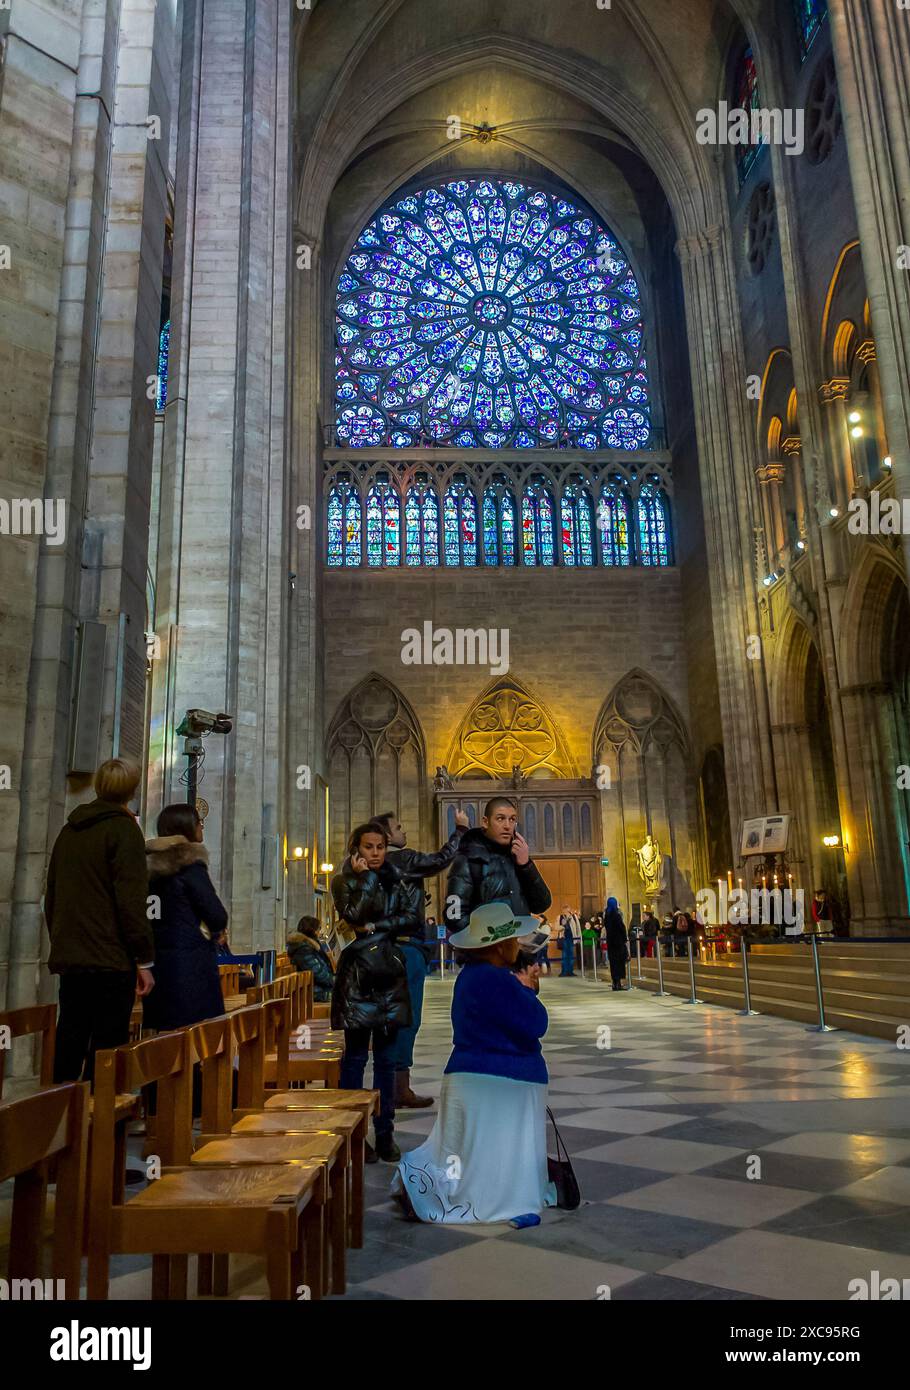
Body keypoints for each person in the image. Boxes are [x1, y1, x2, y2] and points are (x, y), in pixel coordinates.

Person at [392, 902, 557, 1224]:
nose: (517, 946)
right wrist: (528, 991)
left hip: (471, 1075)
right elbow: (535, 1024)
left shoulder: (473, 976)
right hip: (500, 1077)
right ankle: (485, 1195)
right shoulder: (496, 979)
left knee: (464, 1158)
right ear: (497, 946)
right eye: (512, 941)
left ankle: (432, 1188)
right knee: (481, 1173)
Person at [45, 757, 155, 1085]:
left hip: (73, 957)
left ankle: (60, 1120)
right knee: (107, 1048)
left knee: (70, 1036)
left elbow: (52, 895)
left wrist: (64, 941)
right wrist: (143, 959)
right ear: (132, 790)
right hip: (111, 960)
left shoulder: (69, 831)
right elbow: (132, 902)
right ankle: (100, 1123)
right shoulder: (123, 831)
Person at [331, 821, 414, 1162]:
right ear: (356, 850)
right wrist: (365, 880)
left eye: (380, 847)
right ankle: (351, 1134)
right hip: (357, 980)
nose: (376, 853)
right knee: (354, 1059)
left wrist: (377, 927)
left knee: (387, 1060)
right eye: (369, 847)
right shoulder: (342, 881)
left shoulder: (396, 880)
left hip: (389, 976)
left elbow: (411, 919)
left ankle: (385, 1133)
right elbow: (351, 914)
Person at [373, 809, 468, 1107]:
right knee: (408, 1018)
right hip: (406, 950)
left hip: (387, 948)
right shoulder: (402, 859)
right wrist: (460, 831)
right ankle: (398, 1089)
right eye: (399, 828)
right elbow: (440, 860)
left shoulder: (380, 867)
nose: (404, 832)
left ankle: (390, 1088)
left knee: (392, 1019)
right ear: (387, 836)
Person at [144, 803, 227, 1031]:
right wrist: (217, 930)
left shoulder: (147, 868)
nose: (202, 826)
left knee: (165, 1036)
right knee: (195, 1034)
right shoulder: (188, 866)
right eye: (199, 822)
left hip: (155, 961)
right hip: (189, 965)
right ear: (187, 827)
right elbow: (215, 913)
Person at [445, 796, 552, 935]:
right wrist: (490, 942)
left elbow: (541, 905)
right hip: (485, 953)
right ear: (485, 822)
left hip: (520, 952)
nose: (507, 825)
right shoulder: (468, 859)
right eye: (500, 818)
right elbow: (453, 917)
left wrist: (526, 866)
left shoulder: (518, 858)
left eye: (512, 819)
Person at [287, 915, 335, 1002]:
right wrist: (338, 982)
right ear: (313, 931)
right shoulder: (303, 950)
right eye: (319, 929)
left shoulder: (311, 946)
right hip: (315, 992)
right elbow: (319, 974)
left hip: (319, 988)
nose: (320, 932)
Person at [604, 896, 629, 990]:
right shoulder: (616, 915)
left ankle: (614, 983)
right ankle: (618, 983)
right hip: (618, 942)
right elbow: (621, 928)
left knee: (613, 963)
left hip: (610, 942)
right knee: (619, 962)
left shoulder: (606, 915)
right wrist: (624, 938)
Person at [558, 905, 580, 977]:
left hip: (571, 938)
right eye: (564, 909)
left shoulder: (574, 917)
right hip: (564, 938)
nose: (566, 911)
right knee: (564, 955)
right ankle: (564, 971)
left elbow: (577, 927)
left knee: (571, 955)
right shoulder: (560, 917)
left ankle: (570, 971)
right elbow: (557, 926)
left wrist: (578, 937)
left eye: (567, 909)